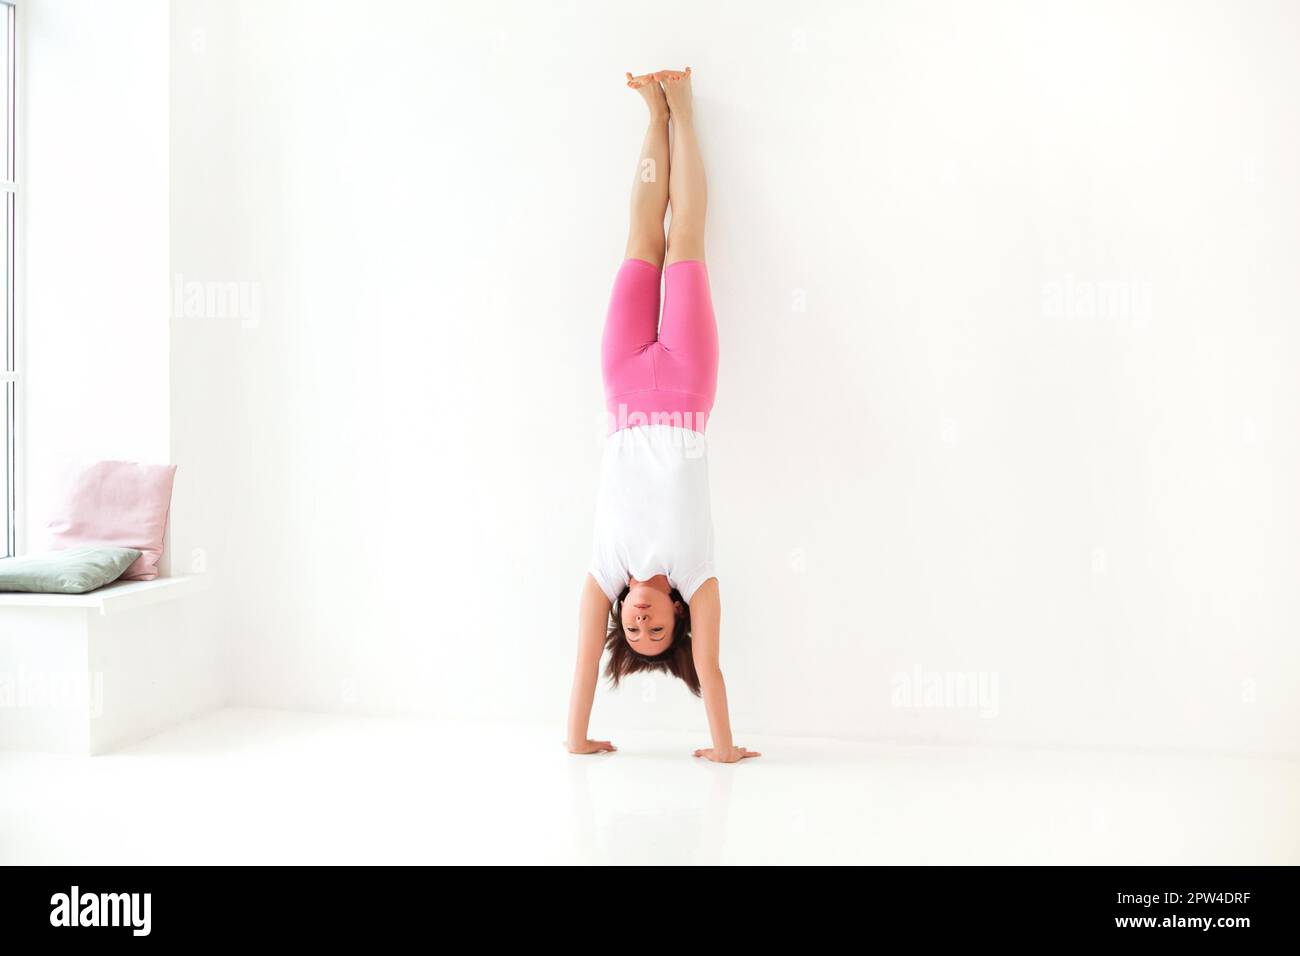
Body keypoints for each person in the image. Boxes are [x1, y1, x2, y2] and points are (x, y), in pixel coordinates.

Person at [564, 68, 760, 764]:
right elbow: (708, 668)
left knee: (642, 236)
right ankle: (685, 108)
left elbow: (587, 662)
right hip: (685, 382)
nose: (641, 623)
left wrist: (576, 737)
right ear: (679, 615)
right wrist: (723, 748)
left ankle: (654, 114)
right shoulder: (696, 572)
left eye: (633, 631)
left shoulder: (605, 570)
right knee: (686, 240)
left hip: (620, 386)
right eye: (656, 632)